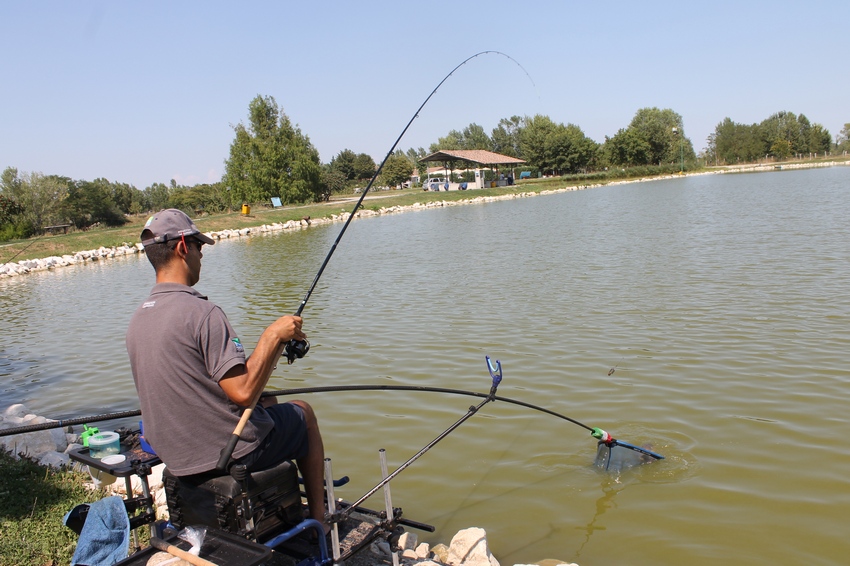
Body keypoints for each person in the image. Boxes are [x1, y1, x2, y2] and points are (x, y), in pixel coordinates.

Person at [125, 209, 327, 528]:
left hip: (176, 455)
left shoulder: (139, 319)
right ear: (181, 247)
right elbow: (243, 393)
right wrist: (272, 335)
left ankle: (277, 501)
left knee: (269, 402)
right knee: (304, 413)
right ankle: (319, 519)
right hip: (221, 454)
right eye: (199, 247)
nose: (201, 255)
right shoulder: (203, 313)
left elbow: (204, 386)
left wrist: (271, 352)